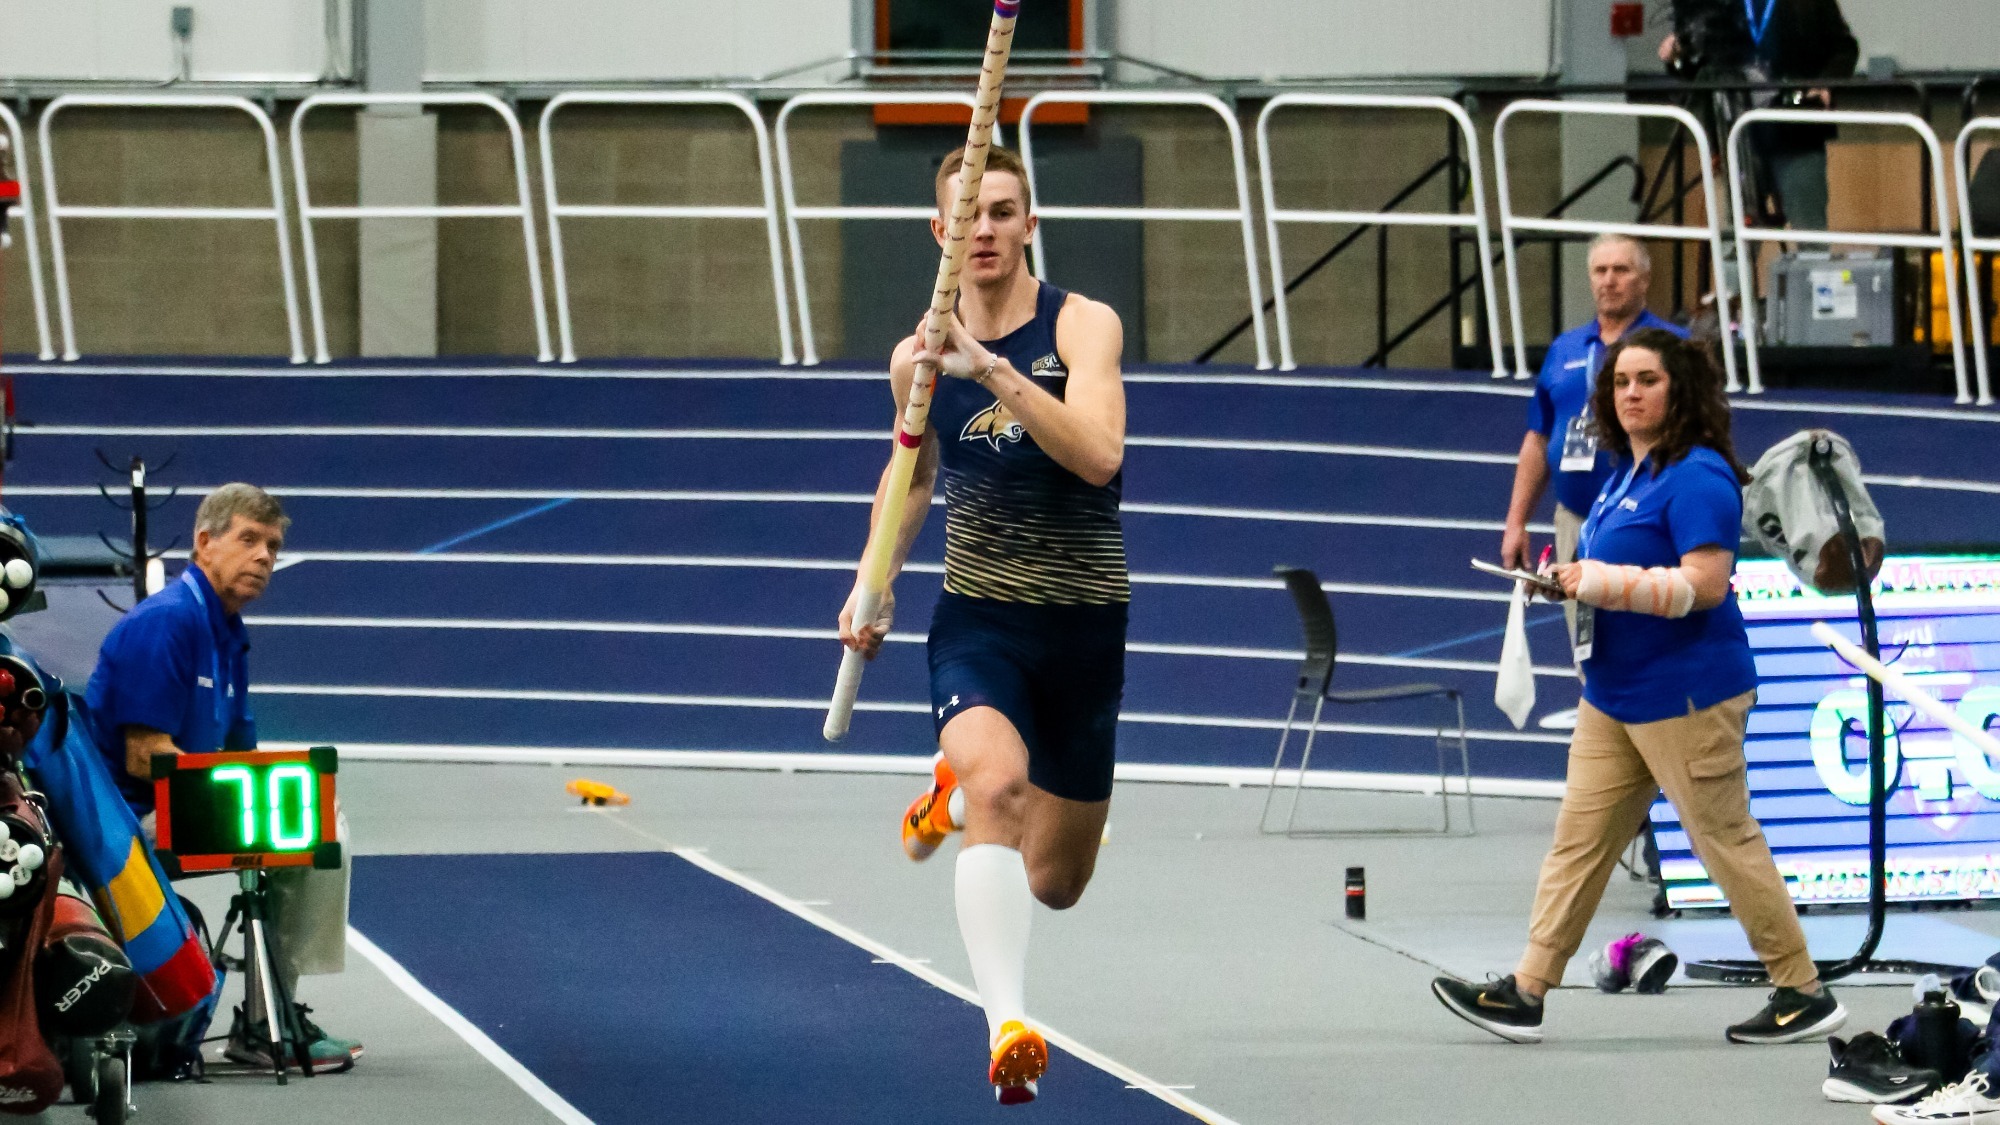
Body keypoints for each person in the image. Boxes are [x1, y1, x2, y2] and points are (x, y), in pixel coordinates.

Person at [1435, 330, 1845, 1045]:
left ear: (1677, 389)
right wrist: (1559, 583)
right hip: (1615, 693)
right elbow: (1606, 573)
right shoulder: (1626, 473)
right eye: (1621, 381)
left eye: (1646, 380)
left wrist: (1600, 581)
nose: (1629, 393)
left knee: (1723, 838)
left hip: (1686, 694)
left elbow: (1706, 584)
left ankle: (1802, 989)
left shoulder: (1699, 475)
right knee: (1578, 842)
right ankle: (1528, 988)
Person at [837, 143, 1127, 1105]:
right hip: (980, 623)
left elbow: (1096, 456)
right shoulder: (913, 359)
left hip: (1084, 630)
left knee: (1055, 880)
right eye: (970, 216)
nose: (987, 230)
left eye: (1004, 211)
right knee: (1001, 779)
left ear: (1028, 222)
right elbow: (911, 476)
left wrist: (991, 369)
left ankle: (947, 805)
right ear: (942, 234)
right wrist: (870, 580)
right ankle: (1009, 1025)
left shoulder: (1083, 327)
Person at [83, 484, 361, 1071]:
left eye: (273, 546)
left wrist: (268, 791)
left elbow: (242, 752)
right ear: (204, 543)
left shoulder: (228, 635)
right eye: (249, 540)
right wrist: (238, 804)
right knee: (308, 819)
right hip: (128, 823)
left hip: (179, 805)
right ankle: (266, 1023)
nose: (264, 557)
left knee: (309, 810)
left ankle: (268, 1014)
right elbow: (144, 755)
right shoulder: (168, 623)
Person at [1503, 234, 1686, 726]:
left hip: (1643, 521)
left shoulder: (1671, 348)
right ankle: (1611, 750)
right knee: (1587, 643)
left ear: (1644, 279)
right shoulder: (1565, 349)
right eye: (1600, 270)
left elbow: (1701, 433)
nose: (1609, 280)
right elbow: (1538, 439)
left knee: (1645, 636)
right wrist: (1516, 522)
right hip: (1576, 523)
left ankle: (1653, 742)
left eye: (1622, 270)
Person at [1660, 0, 1858, 231]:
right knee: (1735, 239)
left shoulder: (1807, 6)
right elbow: (1696, 71)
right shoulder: (1713, 9)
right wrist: (1677, 55)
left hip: (1796, 133)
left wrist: (1824, 85)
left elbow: (1845, 48)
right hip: (1734, 137)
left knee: (1810, 231)